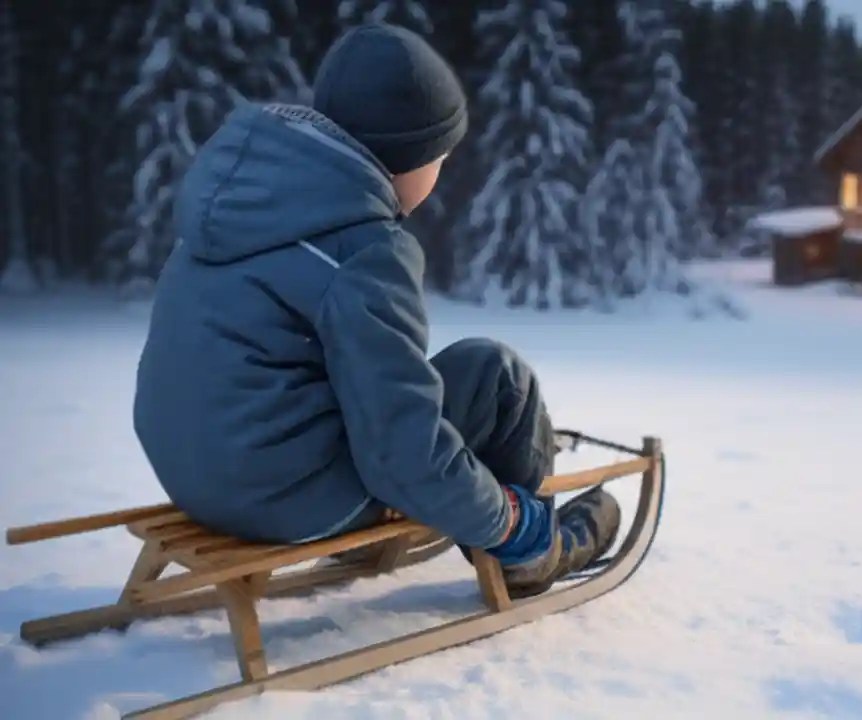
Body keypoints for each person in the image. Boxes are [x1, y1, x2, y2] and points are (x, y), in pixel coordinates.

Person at [131, 23, 620, 599]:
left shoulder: (239, 203)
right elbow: (403, 452)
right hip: (290, 500)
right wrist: (506, 516)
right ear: (409, 159)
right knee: (497, 378)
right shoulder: (365, 250)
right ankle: (532, 549)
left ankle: (489, 513)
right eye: (441, 155)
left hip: (191, 475)